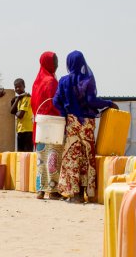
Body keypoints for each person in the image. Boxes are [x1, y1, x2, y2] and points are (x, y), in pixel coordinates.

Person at [53, 51, 117, 203]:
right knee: (86, 158)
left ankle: (75, 195)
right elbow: (92, 101)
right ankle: (86, 192)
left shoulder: (63, 81)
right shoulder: (87, 79)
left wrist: (66, 113)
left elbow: (56, 101)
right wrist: (109, 103)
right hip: (87, 123)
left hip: (72, 123)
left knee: (72, 157)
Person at [32, 51, 63, 199]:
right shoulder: (51, 81)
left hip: (40, 125)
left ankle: (40, 190)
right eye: (55, 61)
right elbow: (55, 103)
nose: (57, 65)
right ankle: (52, 189)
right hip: (53, 124)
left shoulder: (37, 82)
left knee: (41, 158)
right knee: (53, 157)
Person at [10, 78, 34, 152]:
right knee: (20, 155)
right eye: (16, 87)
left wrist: (15, 111)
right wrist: (17, 99)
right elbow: (12, 110)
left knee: (27, 154)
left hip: (28, 130)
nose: (17, 89)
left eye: (19, 86)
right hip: (20, 130)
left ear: (24, 86)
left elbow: (20, 115)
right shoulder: (19, 99)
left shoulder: (26, 98)